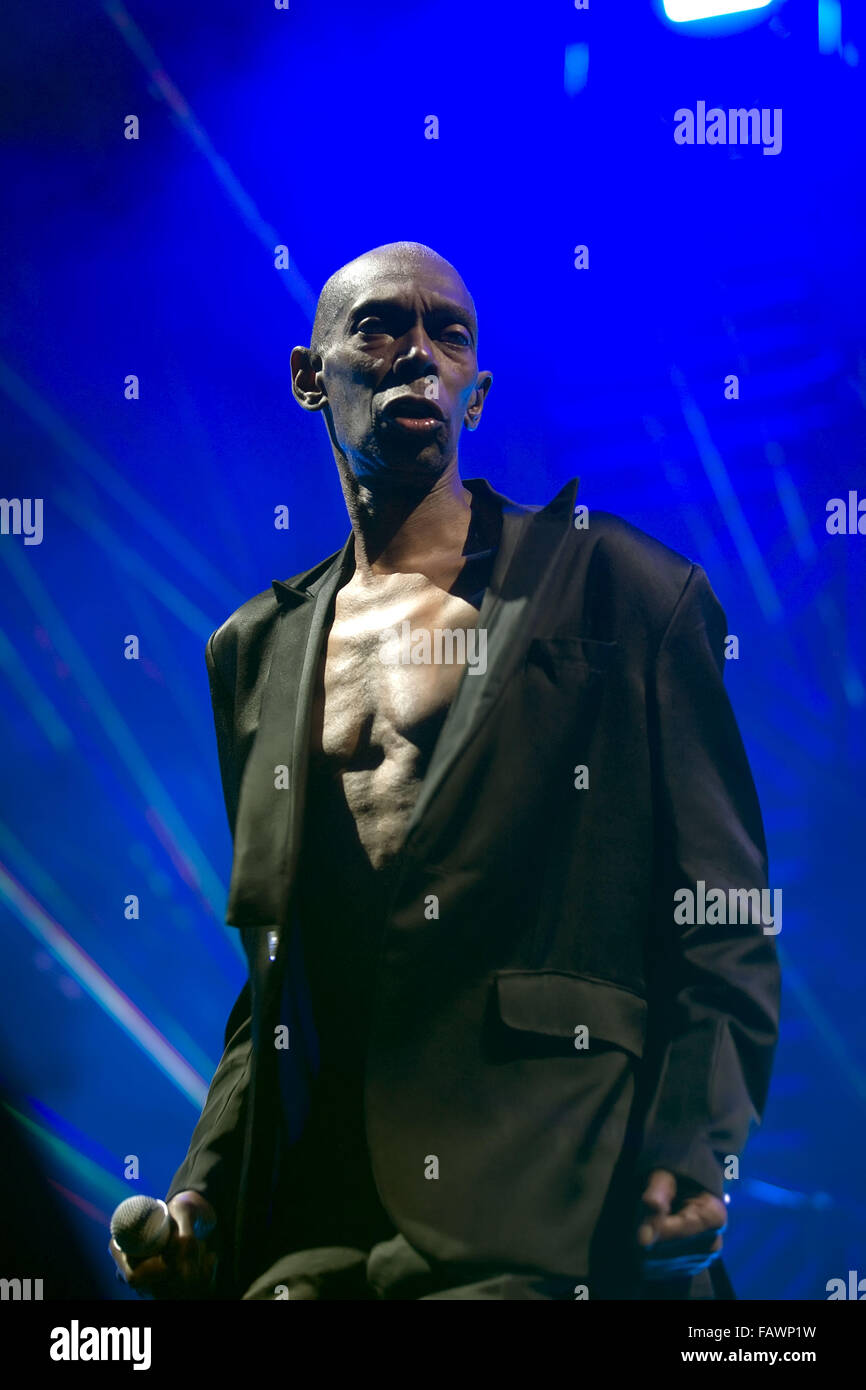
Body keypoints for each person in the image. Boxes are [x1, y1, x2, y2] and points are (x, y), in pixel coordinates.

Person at [110, 241, 780, 1300]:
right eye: (380, 325)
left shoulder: (621, 589)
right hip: (317, 1223)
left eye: (448, 332)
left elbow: (723, 914)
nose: (417, 352)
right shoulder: (251, 651)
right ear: (307, 373)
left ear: (476, 391)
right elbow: (277, 978)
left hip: (546, 1192)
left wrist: (689, 1151)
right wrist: (204, 1186)